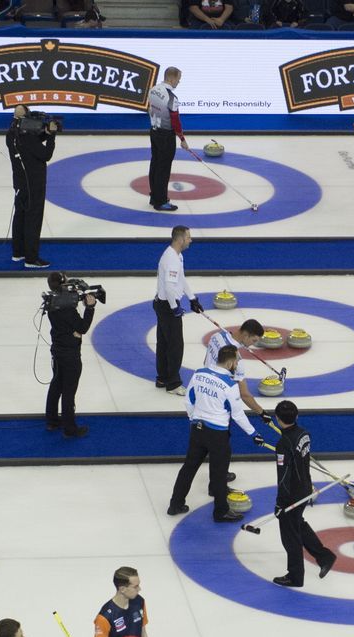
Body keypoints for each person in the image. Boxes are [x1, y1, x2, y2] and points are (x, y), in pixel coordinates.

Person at [167, 345, 266, 521]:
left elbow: (189, 400)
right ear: (229, 363)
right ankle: (221, 511)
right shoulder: (230, 385)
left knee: (189, 467)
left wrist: (193, 419)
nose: (237, 364)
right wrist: (253, 434)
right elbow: (237, 414)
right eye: (236, 361)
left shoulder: (199, 373)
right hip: (218, 433)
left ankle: (175, 504)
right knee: (219, 473)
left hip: (197, 428)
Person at [271, 400, 336, 587]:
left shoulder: (283, 444)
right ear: (296, 416)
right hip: (305, 487)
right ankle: (324, 556)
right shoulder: (304, 434)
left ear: (277, 419)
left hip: (291, 494)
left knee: (290, 536)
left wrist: (280, 503)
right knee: (298, 524)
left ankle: (295, 576)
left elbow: (283, 476)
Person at [45, 272, 97, 438]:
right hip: (70, 354)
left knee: (56, 385)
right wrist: (90, 308)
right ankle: (70, 428)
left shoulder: (53, 303)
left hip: (58, 350)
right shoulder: (67, 310)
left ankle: (52, 420)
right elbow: (82, 328)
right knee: (68, 391)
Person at [6, 104, 57, 268]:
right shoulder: (26, 136)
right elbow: (45, 154)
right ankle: (31, 258)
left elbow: (30, 143)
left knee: (20, 216)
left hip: (20, 183)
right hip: (33, 183)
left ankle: (18, 252)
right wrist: (51, 136)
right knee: (33, 219)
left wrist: (43, 133)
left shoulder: (11, 132)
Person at [154, 225, 202, 395]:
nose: (191, 240)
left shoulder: (177, 255)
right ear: (180, 239)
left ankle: (162, 377)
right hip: (167, 306)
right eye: (188, 237)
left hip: (163, 304)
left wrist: (192, 298)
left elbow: (181, 279)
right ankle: (173, 383)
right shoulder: (172, 260)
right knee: (175, 345)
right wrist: (175, 307)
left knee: (164, 342)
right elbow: (168, 286)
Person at [203, 319, 270, 421]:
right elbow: (245, 395)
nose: (253, 344)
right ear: (245, 335)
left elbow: (205, 361)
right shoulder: (236, 361)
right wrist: (262, 412)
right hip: (217, 403)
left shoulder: (217, 336)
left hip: (202, 389)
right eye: (254, 340)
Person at [147, 67, 187, 212]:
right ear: (171, 78)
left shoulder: (153, 90)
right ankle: (161, 201)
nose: (179, 82)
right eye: (178, 79)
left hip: (154, 131)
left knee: (155, 164)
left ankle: (154, 196)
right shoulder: (171, 98)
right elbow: (175, 121)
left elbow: (150, 109)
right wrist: (182, 139)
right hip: (166, 136)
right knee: (163, 169)